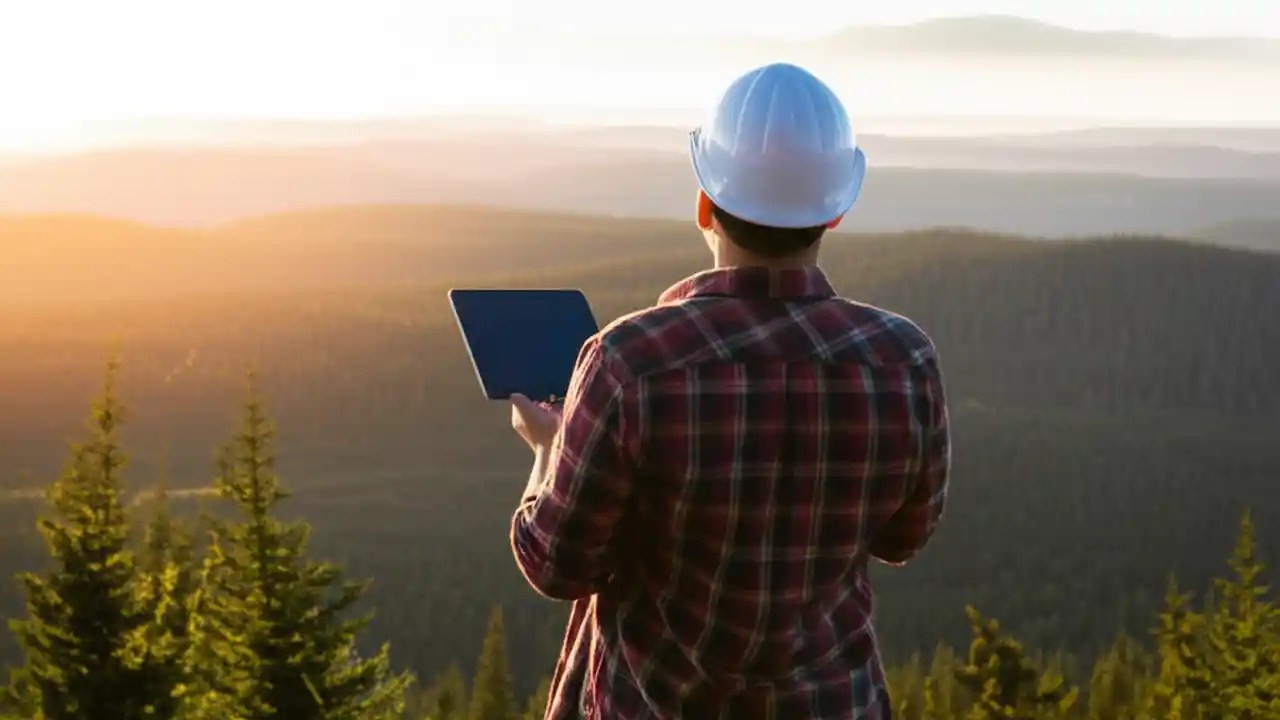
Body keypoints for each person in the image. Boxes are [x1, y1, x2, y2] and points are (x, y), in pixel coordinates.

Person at [508, 63, 950, 719]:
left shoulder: (629, 364)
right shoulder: (903, 359)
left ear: (704, 204)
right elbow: (903, 537)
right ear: (834, 212)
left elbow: (556, 565)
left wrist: (547, 451)